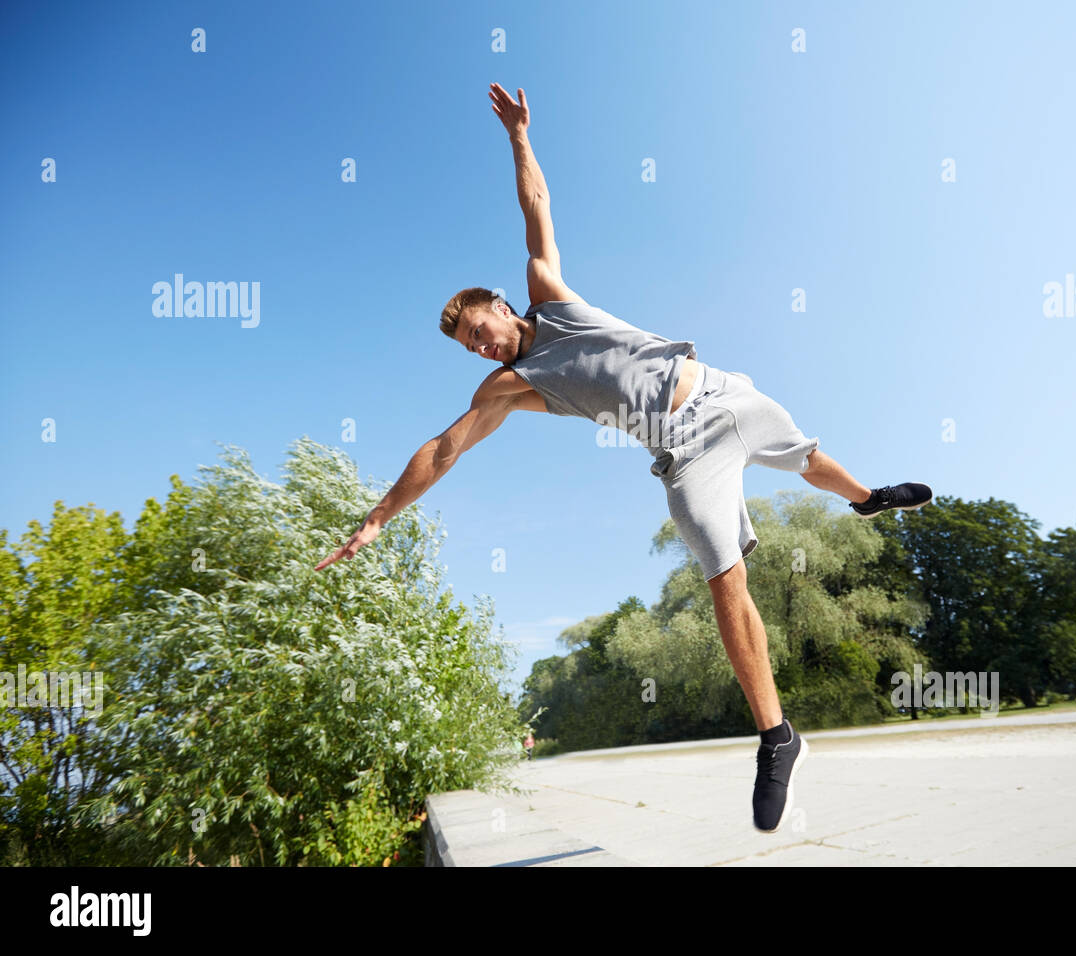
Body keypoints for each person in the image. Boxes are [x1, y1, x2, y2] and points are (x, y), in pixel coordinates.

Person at [315, 83, 932, 833]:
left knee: (805, 456)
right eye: (471, 344)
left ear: (505, 306)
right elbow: (444, 449)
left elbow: (536, 208)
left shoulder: (550, 293)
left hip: (719, 396)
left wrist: (518, 136)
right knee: (724, 580)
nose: (482, 345)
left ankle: (868, 500)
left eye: (482, 328)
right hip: (681, 454)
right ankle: (777, 736)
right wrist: (378, 519)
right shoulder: (508, 387)